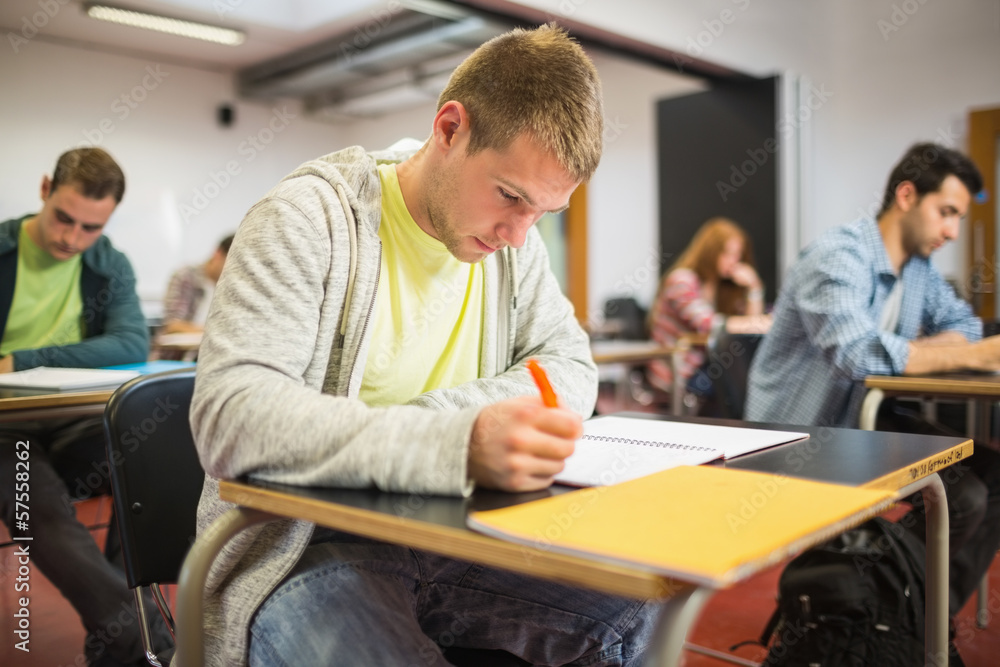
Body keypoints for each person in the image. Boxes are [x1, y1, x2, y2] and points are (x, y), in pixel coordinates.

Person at [190, 24, 660, 667]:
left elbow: (571, 366)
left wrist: (463, 433)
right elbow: (231, 417)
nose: (521, 237)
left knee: (643, 603)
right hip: (307, 547)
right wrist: (458, 443)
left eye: (543, 214)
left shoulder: (509, 248)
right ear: (449, 129)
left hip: (458, 537)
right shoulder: (308, 218)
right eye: (511, 196)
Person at [745, 143, 1000, 645]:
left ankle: (905, 621)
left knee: (993, 478)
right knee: (964, 492)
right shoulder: (838, 254)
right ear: (907, 195)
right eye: (946, 212)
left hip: (863, 416)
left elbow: (965, 328)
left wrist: (929, 348)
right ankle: (883, 614)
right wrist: (962, 353)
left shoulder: (920, 272)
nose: (952, 231)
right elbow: (858, 356)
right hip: (800, 435)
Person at [0, 147, 162, 666]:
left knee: (145, 463)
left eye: (90, 227)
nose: (72, 238)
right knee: (36, 499)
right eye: (63, 219)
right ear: (45, 189)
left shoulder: (108, 261)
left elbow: (129, 346)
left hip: (74, 422)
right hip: (4, 431)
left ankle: (122, 637)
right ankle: (134, 639)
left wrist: (18, 359)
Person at [647, 217, 771, 399]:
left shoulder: (723, 287)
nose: (734, 261)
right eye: (727, 254)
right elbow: (709, 324)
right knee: (745, 387)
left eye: (738, 255)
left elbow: (749, 329)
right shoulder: (681, 280)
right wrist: (759, 323)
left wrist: (754, 287)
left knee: (753, 380)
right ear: (711, 252)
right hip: (681, 370)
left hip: (710, 364)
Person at [161, 233, 234, 334]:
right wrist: (215, 334)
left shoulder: (232, 285)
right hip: (184, 348)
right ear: (218, 254)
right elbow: (173, 326)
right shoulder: (186, 276)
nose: (234, 269)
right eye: (231, 263)